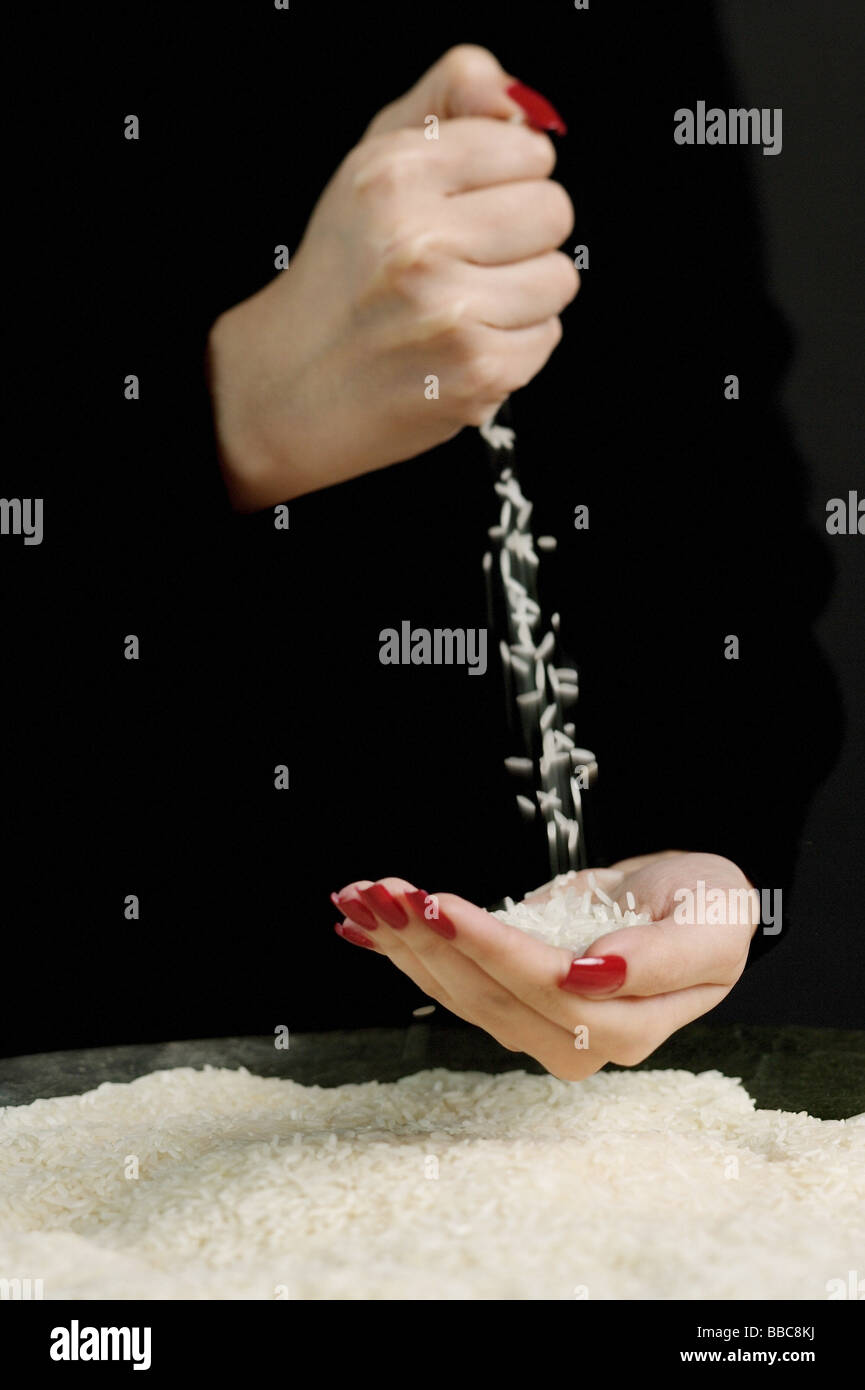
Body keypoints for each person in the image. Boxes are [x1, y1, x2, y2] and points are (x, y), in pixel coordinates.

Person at [204, 49, 772, 1079]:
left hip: (552, 1122)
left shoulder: (628, 49)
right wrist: (233, 417)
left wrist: (705, 876)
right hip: (96, 1052)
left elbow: (730, 528)